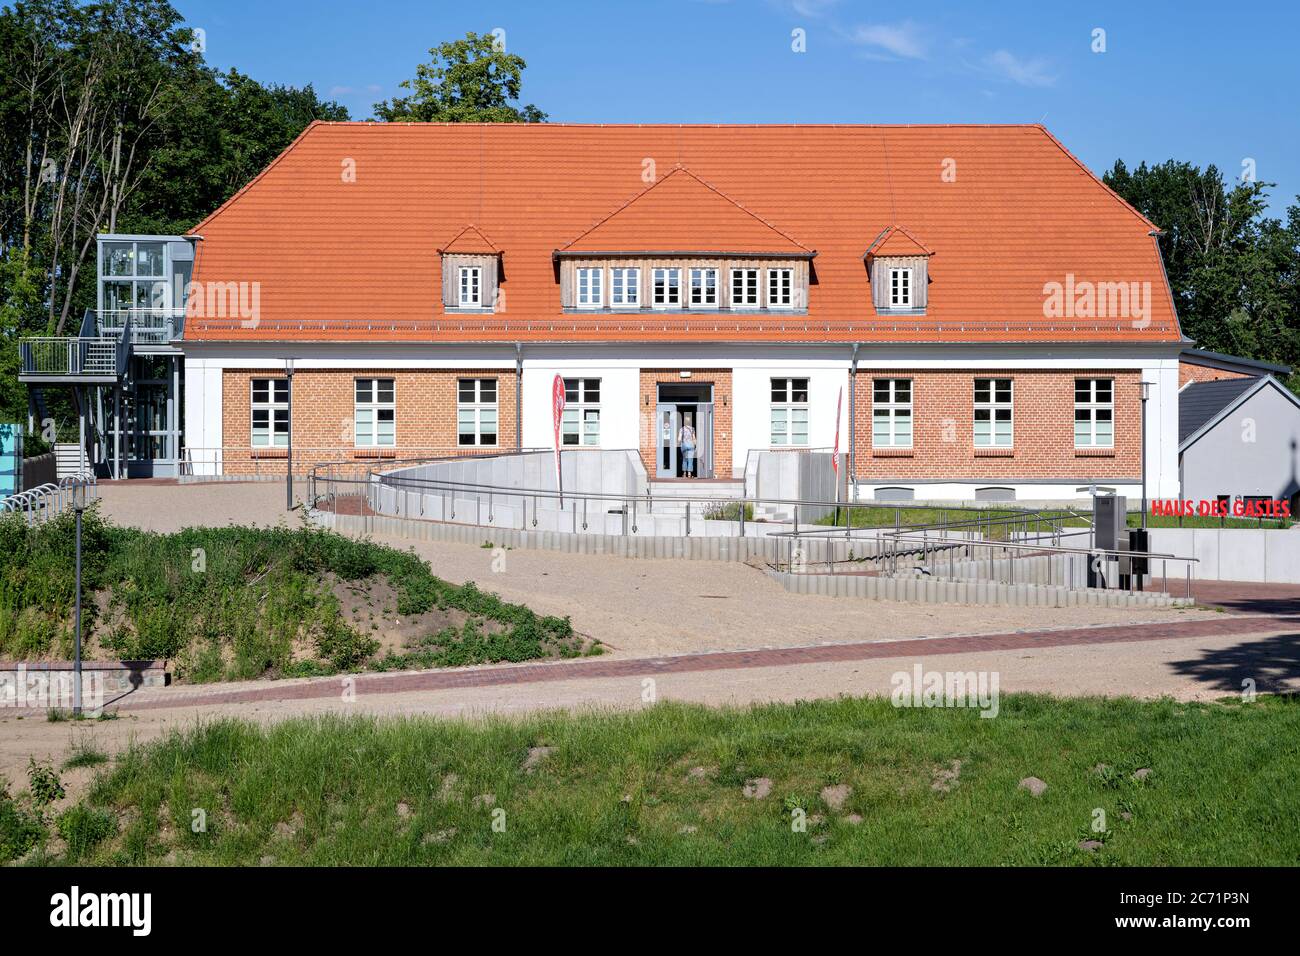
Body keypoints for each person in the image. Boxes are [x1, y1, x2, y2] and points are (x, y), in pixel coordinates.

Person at [678, 413, 697, 478]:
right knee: (690, 459)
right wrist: (695, 445)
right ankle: (689, 473)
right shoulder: (692, 429)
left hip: (684, 445)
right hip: (691, 445)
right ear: (690, 422)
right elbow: (694, 438)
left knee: (684, 459)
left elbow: (679, 439)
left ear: (684, 422)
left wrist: (678, 444)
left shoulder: (681, 429)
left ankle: (684, 473)